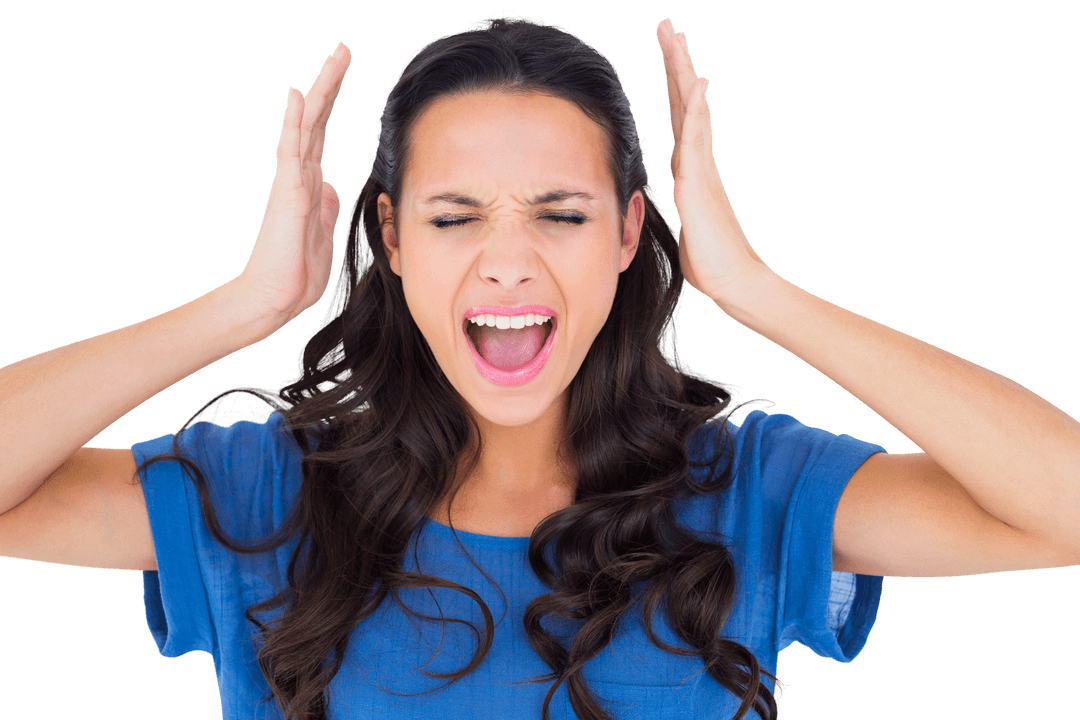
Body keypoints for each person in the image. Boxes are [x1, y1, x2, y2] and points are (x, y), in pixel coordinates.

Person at [1, 12, 1077, 720]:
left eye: (562, 215)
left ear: (628, 233)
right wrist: (237, 310)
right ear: (389, 238)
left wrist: (757, 289)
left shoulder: (752, 490)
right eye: (454, 216)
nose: (507, 262)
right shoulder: (264, 490)